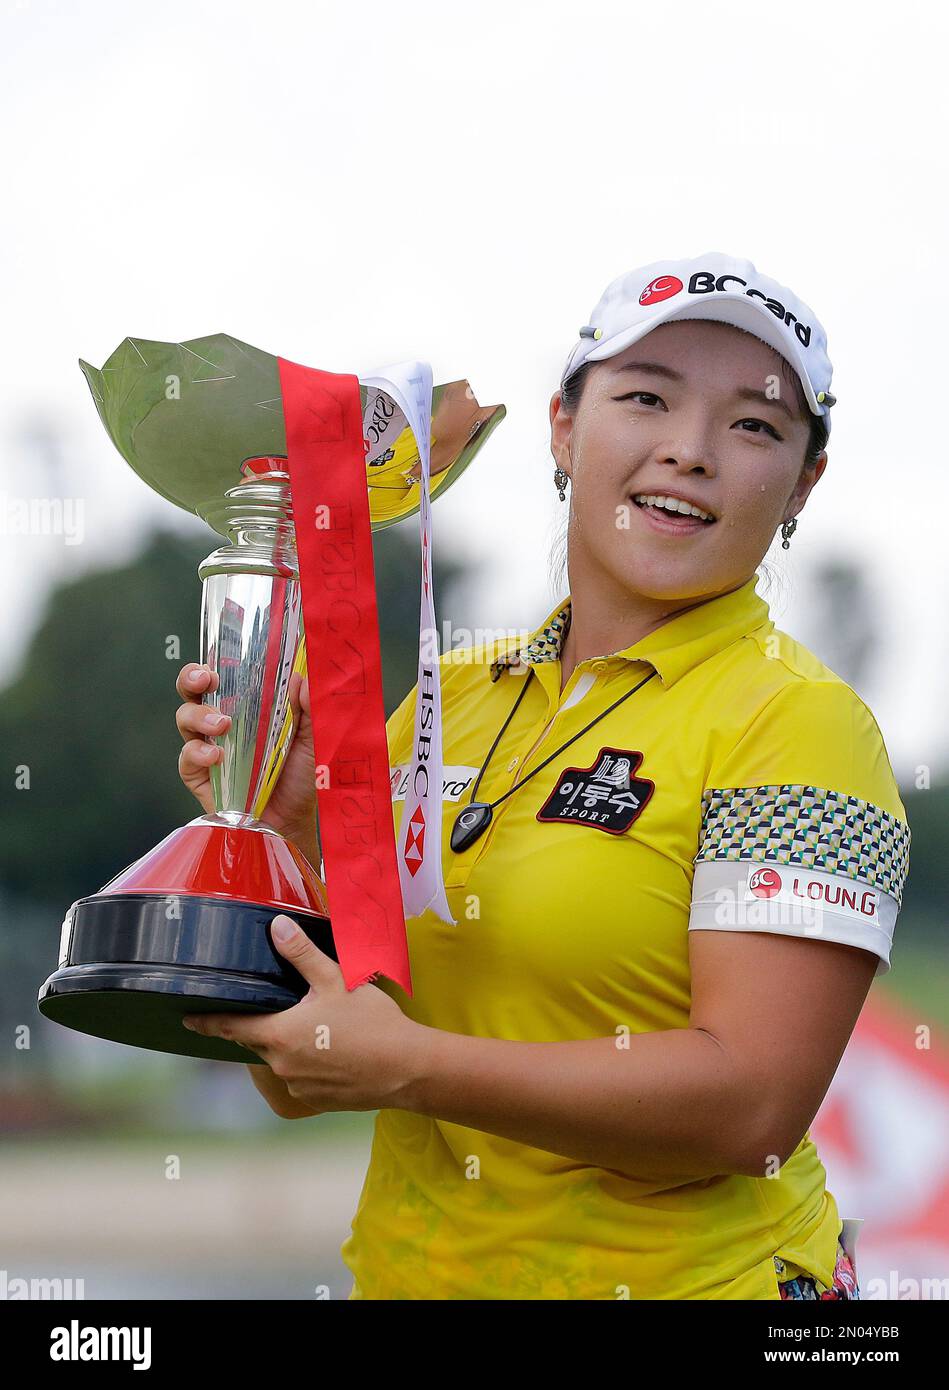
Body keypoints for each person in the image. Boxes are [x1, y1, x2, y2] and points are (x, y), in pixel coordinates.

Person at [175, 252, 910, 1301]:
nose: (689, 450)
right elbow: (305, 1070)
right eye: (645, 397)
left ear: (802, 481)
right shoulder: (448, 700)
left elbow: (747, 1110)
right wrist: (289, 833)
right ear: (564, 428)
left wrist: (412, 1065)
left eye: (753, 424)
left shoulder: (802, 723)